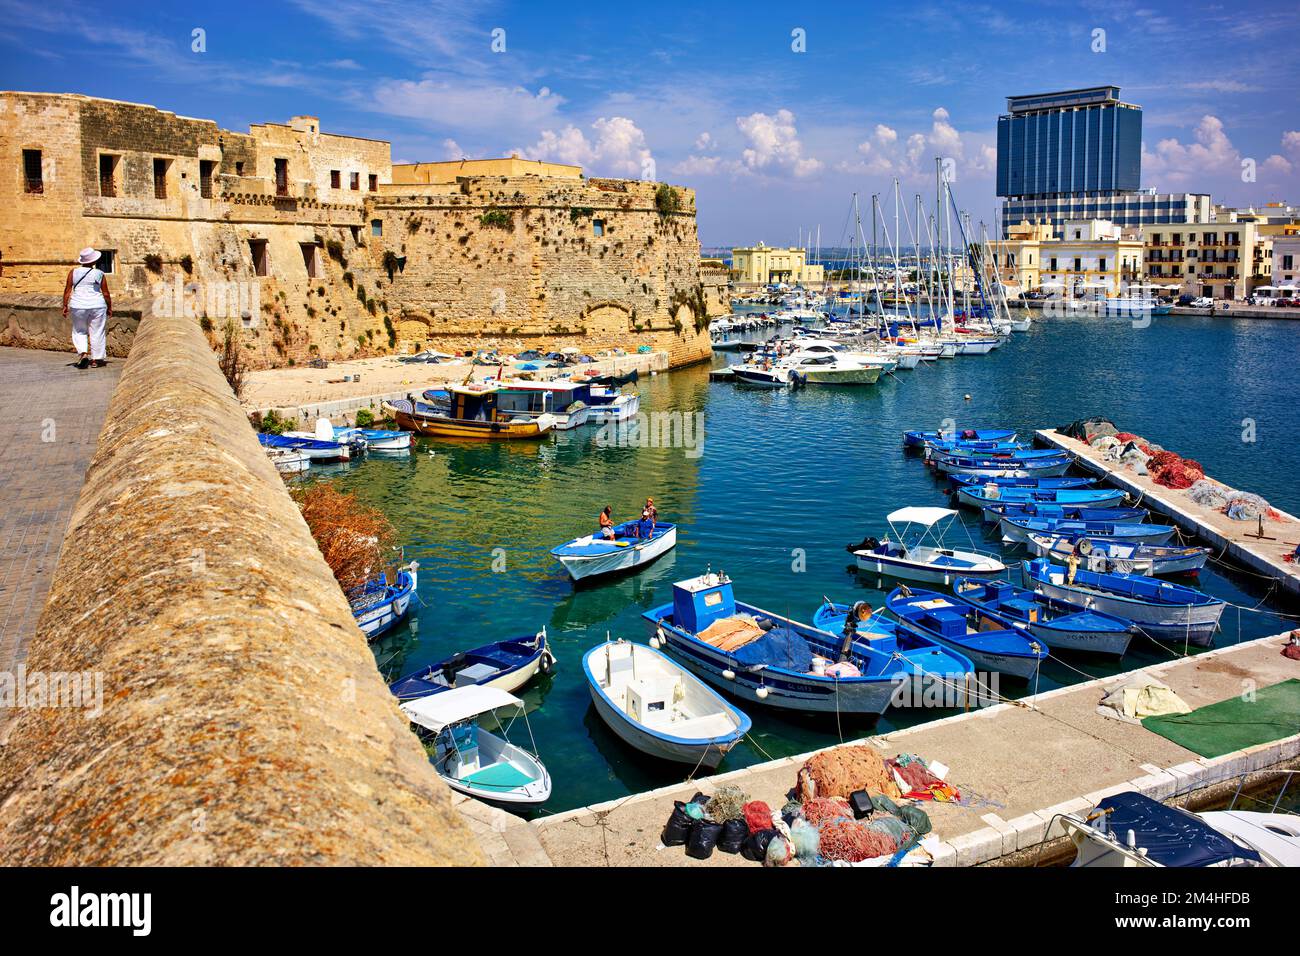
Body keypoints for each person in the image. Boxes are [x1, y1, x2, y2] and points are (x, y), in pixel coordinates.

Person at [62, 248, 112, 369]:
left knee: (79, 330)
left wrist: (64, 305)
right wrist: (109, 307)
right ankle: (96, 360)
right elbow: (105, 293)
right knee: (97, 331)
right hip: (97, 305)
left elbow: (67, 290)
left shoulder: (73, 272)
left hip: (78, 305)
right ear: (94, 261)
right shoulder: (99, 273)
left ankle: (83, 354)